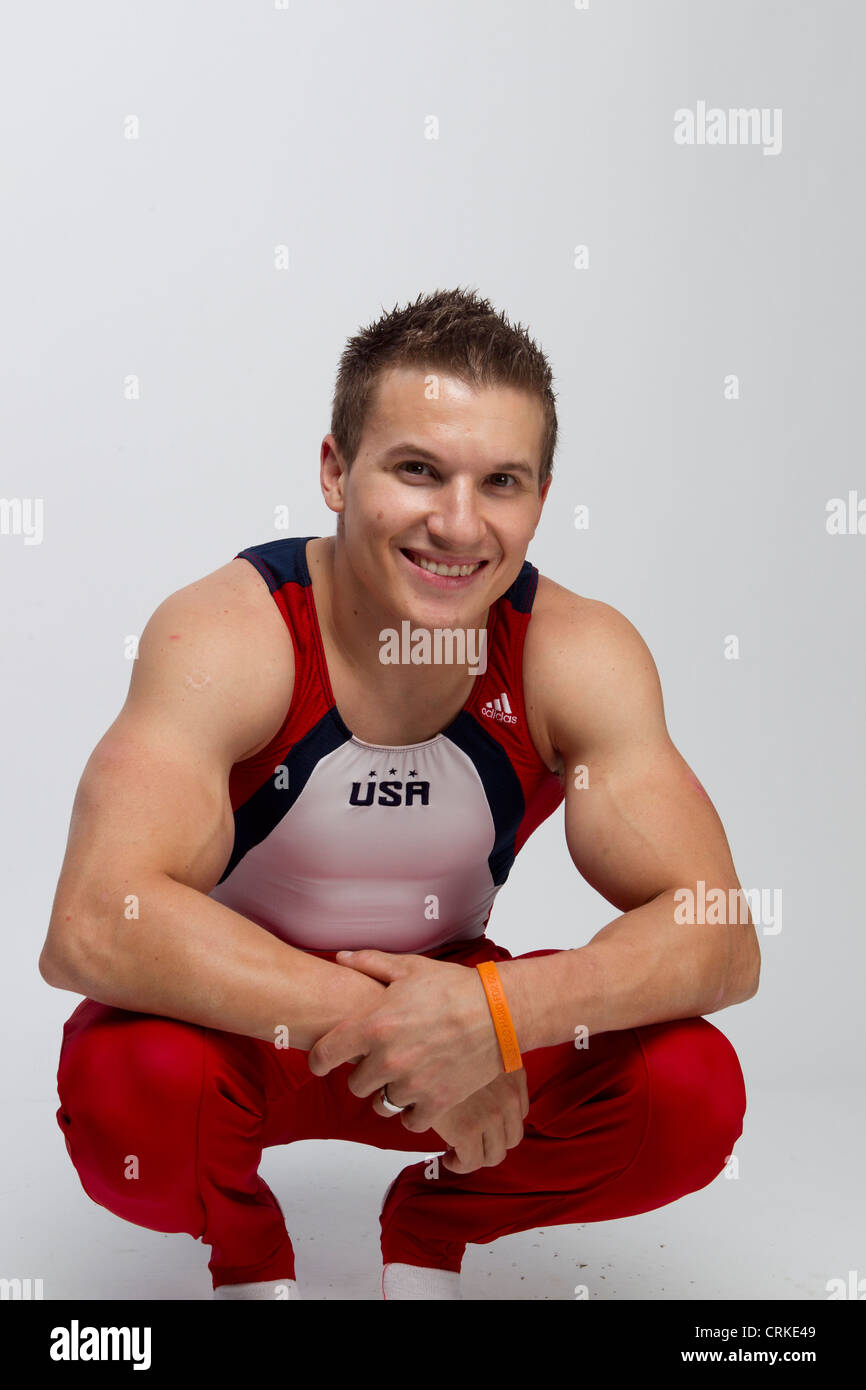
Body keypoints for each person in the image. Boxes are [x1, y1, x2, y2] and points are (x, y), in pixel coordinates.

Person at [39, 288, 759, 1300]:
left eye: (499, 481)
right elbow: (92, 925)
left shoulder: (575, 653)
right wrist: (419, 1028)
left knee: (687, 1091)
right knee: (133, 1086)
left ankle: (432, 1221)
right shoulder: (227, 636)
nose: (457, 523)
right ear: (335, 471)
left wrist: (496, 1011)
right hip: (241, 1028)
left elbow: (720, 933)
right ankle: (248, 1255)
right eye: (418, 469)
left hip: (462, 1016)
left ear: (540, 499)